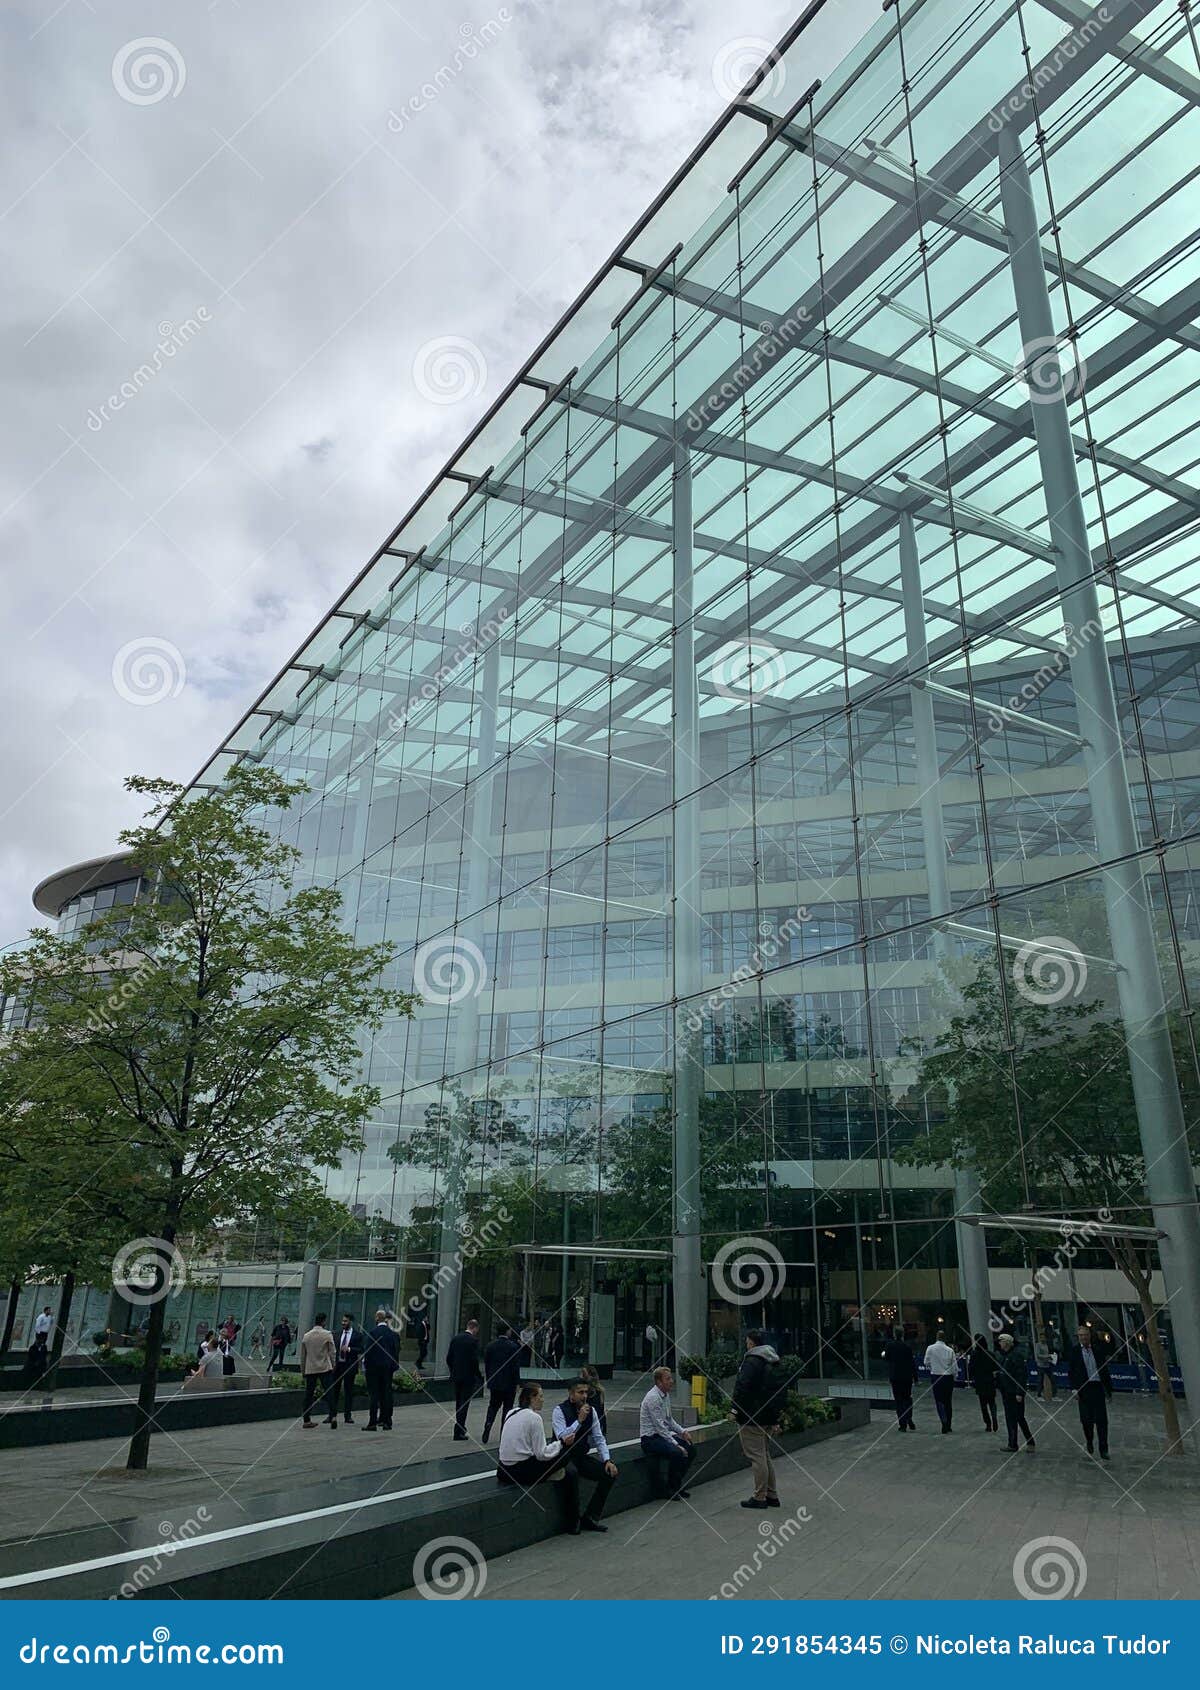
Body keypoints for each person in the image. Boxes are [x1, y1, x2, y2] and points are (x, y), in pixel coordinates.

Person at [497, 1383, 585, 1533]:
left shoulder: (510, 1412)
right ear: (532, 1398)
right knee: (565, 1456)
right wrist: (562, 1443)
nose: (543, 1400)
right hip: (521, 1472)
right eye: (541, 1396)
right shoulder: (534, 1418)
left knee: (564, 1465)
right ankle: (573, 1521)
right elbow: (542, 1454)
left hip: (503, 1470)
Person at [551, 1379, 619, 1531]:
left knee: (609, 1474)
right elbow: (563, 1437)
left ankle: (590, 1516)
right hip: (562, 1456)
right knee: (572, 1474)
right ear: (571, 1394)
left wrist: (607, 1460)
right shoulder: (559, 1410)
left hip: (580, 1455)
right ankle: (572, 1520)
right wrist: (579, 1421)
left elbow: (599, 1437)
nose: (584, 1396)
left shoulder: (592, 1411)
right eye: (580, 1392)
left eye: (586, 1392)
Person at [731, 1330, 785, 1508]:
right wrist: (776, 1417)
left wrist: (735, 1409)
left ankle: (759, 1496)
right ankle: (771, 1494)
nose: (746, 1345)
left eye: (747, 1342)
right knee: (764, 1454)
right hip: (768, 1415)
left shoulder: (751, 1361)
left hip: (752, 1416)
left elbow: (742, 1387)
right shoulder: (773, 1360)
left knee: (756, 1456)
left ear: (752, 1343)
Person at [639, 1365, 694, 1500]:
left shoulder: (665, 1395)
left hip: (661, 1436)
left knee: (691, 1449)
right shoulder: (653, 1398)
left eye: (671, 1378)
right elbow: (659, 1426)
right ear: (659, 1382)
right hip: (650, 1439)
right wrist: (676, 1444)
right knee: (677, 1452)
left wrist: (683, 1431)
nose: (671, 1381)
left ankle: (675, 1485)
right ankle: (669, 1489)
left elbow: (669, 1420)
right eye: (668, 1379)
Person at [1066, 1324, 1112, 1459]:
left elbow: (1104, 1370)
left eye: (1085, 1335)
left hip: (1097, 1387)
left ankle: (1104, 1449)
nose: (1083, 1338)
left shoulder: (1097, 1350)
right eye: (1080, 1335)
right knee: (1086, 1420)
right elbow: (1072, 1371)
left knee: (1102, 1420)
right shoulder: (1074, 1352)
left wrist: (1108, 1391)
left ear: (1089, 1335)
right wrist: (1074, 1388)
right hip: (1083, 1389)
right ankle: (1089, 1441)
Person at [994, 1332, 1036, 1453]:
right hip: (1007, 1391)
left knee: (1018, 1417)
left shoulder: (1015, 1356)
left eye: (1001, 1341)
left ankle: (1029, 1441)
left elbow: (1021, 1375)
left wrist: (1019, 1392)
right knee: (1011, 1418)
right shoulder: (1006, 1356)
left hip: (1013, 1392)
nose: (1000, 1344)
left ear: (1007, 1343)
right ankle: (1013, 1443)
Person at [362, 1307, 401, 1431]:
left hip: (374, 1368)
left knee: (374, 1395)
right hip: (387, 1368)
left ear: (377, 1318)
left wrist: (366, 1367)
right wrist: (394, 1366)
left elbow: (367, 1352)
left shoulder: (373, 1333)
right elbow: (396, 1351)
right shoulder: (393, 1334)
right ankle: (386, 1421)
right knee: (387, 1394)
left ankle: (372, 1422)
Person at [482, 1325, 523, 1442]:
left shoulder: (490, 1346)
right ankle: (503, 1433)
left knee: (493, 1406)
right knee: (507, 1408)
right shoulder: (514, 1347)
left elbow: (487, 1364)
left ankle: (488, 1423)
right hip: (509, 1383)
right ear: (507, 1331)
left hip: (495, 1382)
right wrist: (517, 1382)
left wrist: (489, 1379)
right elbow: (515, 1367)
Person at [446, 1318, 482, 1441]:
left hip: (456, 1375)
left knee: (458, 1402)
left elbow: (449, 1358)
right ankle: (459, 1430)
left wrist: (453, 1370)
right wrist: (478, 1375)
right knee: (464, 1403)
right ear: (475, 1328)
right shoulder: (473, 1341)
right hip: (468, 1377)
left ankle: (460, 1427)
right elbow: (474, 1361)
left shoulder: (455, 1338)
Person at [325, 1313, 364, 1426]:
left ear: (350, 1322)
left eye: (345, 1321)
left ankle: (348, 1415)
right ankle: (332, 1415)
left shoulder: (357, 1335)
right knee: (334, 1391)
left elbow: (361, 1349)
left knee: (348, 1391)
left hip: (349, 1366)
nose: (343, 1323)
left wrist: (350, 1349)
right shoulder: (336, 1334)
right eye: (342, 1321)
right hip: (337, 1366)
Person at [299, 1313, 336, 1429]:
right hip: (324, 1367)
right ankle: (333, 1415)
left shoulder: (306, 1336)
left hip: (310, 1368)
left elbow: (303, 1355)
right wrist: (333, 1364)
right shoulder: (327, 1334)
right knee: (329, 1392)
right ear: (323, 1322)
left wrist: (303, 1370)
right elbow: (332, 1352)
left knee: (308, 1394)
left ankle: (306, 1419)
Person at [882, 1326, 918, 1431]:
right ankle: (909, 1418)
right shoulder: (907, 1346)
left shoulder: (890, 1345)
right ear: (902, 1334)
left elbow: (886, 1358)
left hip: (895, 1376)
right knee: (907, 1398)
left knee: (898, 1400)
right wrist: (915, 1378)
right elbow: (912, 1363)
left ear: (894, 1334)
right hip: (906, 1377)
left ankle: (902, 1424)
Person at [924, 1329, 958, 1433]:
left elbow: (926, 1362)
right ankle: (949, 1424)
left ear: (936, 1337)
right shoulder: (949, 1350)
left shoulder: (930, 1348)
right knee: (948, 1401)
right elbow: (954, 1367)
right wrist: (954, 1376)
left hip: (936, 1376)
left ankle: (943, 1422)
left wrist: (932, 1366)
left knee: (939, 1401)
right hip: (947, 1377)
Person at [967, 1333, 998, 1432]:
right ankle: (994, 1418)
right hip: (990, 1381)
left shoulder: (974, 1354)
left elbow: (971, 1368)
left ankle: (988, 1423)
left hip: (980, 1382)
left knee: (983, 1405)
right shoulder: (990, 1354)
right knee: (992, 1402)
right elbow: (995, 1367)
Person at [1034, 1335, 1057, 1399]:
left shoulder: (1046, 1345)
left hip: (1047, 1365)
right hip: (1040, 1365)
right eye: (1041, 1337)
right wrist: (1047, 1356)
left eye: (1044, 1337)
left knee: (1053, 1379)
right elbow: (1038, 1355)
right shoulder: (1038, 1345)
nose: (1043, 1339)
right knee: (1040, 1380)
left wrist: (1051, 1358)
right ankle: (1038, 1395)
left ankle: (1054, 1395)